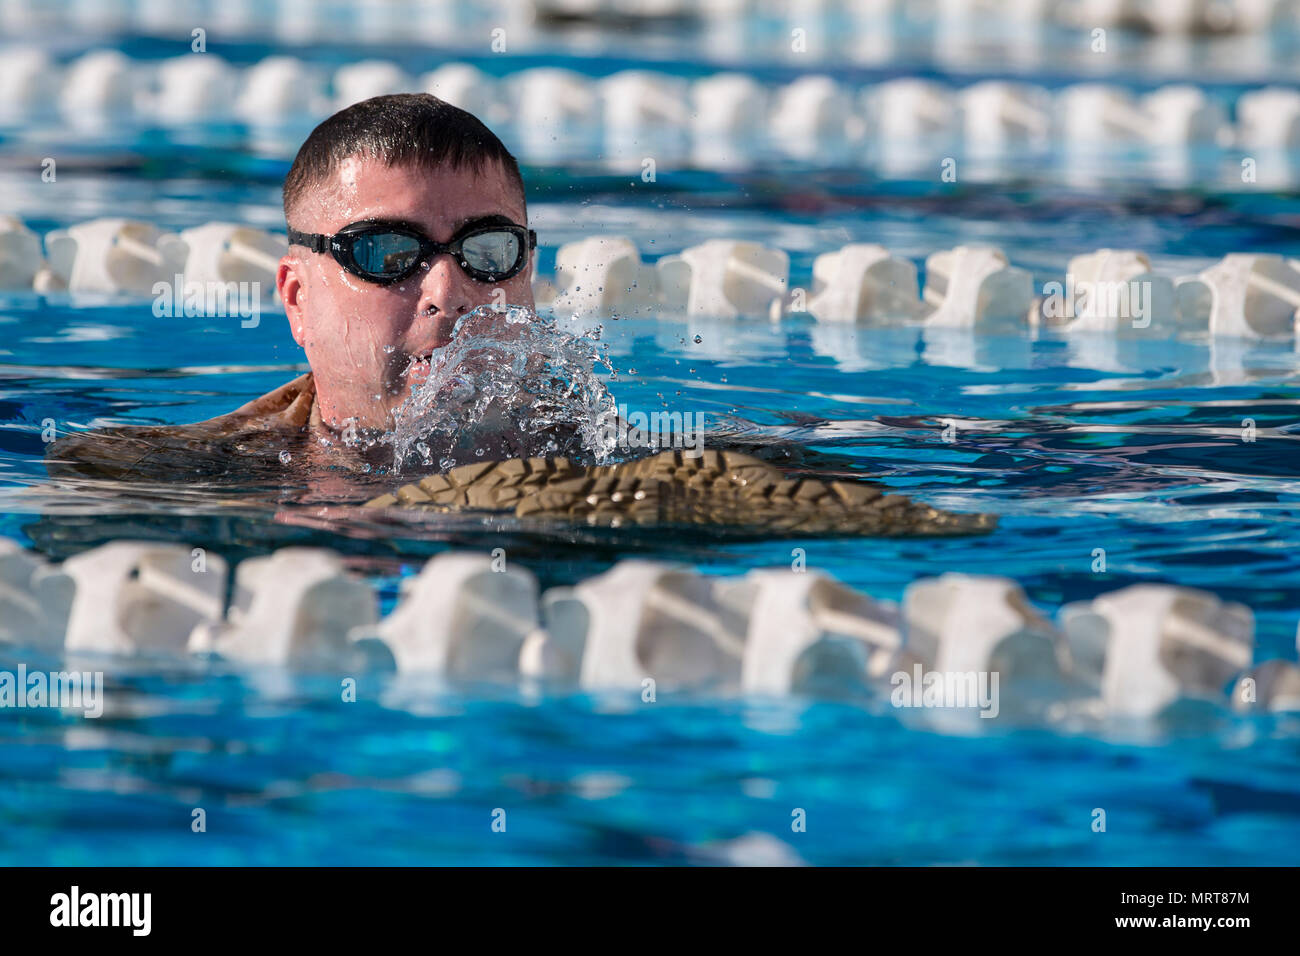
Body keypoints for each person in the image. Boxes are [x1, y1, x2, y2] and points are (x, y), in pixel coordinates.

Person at [47, 93, 542, 482]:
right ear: (297, 299)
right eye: (386, 252)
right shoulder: (149, 474)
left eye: (488, 248)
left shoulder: (610, 473)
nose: (446, 292)